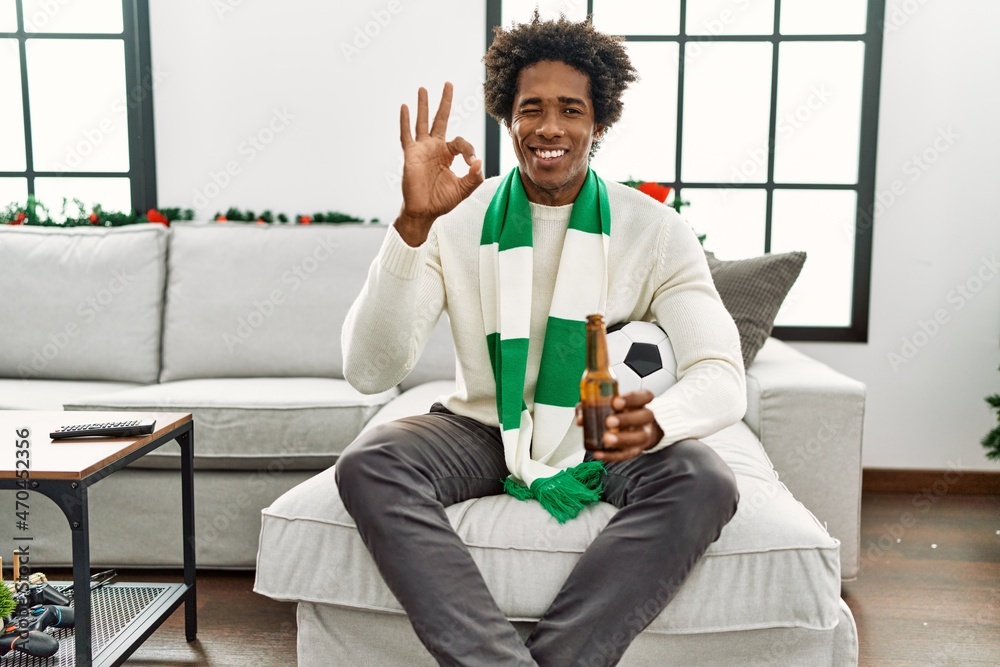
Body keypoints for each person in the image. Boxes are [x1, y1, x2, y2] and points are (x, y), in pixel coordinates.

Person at [337, 13, 746, 667]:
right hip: (483, 423)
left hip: (600, 431)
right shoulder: (456, 219)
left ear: (599, 121)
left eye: (571, 109)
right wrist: (413, 225)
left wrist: (649, 422)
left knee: (703, 477)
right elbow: (369, 368)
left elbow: (722, 373)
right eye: (532, 108)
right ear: (507, 117)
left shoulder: (655, 229)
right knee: (371, 460)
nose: (550, 127)